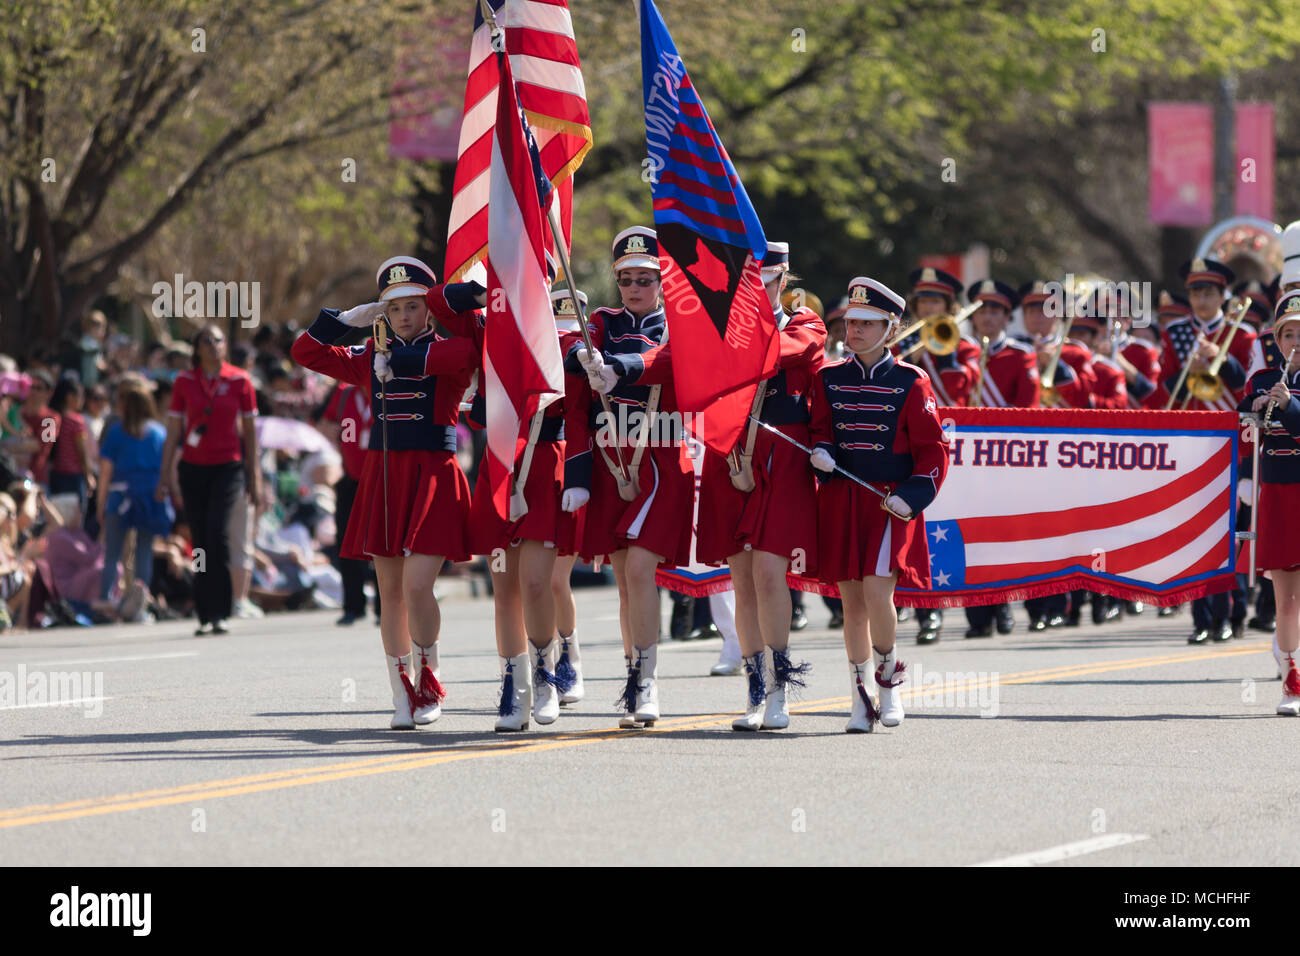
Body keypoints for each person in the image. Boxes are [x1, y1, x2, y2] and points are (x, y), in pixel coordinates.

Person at [291, 256, 478, 730]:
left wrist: (391, 359)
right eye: (394, 310)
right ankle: (400, 689)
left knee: (418, 586)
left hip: (433, 472)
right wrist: (339, 322)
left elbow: (465, 356)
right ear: (384, 316)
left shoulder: (445, 349)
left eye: (414, 306)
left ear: (429, 310)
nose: (405, 317)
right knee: (390, 592)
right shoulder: (371, 357)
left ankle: (429, 676)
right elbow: (305, 354)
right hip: (385, 476)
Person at [421, 269, 582, 732]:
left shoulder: (559, 337)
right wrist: (479, 291)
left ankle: (546, 676)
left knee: (537, 583)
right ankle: (516, 683)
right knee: (504, 590)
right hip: (498, 465)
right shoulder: (486, 325)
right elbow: (437, 302)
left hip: (542, 463)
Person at [564, 227, 693, 728]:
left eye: (645, 279)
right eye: (627, 279)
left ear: (662, 282)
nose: (636, 288)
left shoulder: (679, 324)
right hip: (609, 459)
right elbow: (578, 382)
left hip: (660, 456)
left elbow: (676, 363)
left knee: (640, 569)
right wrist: (584, 357)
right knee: (624, 579)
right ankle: (633, 671)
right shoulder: (601, 320)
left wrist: (622, 366)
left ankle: (647, 680)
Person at [810, 277, 948, 733]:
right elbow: (819, 428)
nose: (855, 331)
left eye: (867, 324)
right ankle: (859, 699)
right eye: (851, 323)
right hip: (842, 499)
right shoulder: (828, 378)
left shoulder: (912, 381)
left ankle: (889, 686)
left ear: (891, 329)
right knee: (851, 604)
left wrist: (912, 498)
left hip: (888, 502)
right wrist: (823, 451)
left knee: (877, 593)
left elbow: (933, 451)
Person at [695, 241, 821, 731]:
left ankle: (780, 689)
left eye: (765, 280)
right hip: (730, 450)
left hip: (779, 455)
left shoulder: (804, 321)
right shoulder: (720, 324)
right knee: (741, 580)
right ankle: (756, 687)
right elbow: (680, 360)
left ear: (782, 281)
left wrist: (729, 338)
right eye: (748, 280)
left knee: (769, 574)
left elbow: (792, 352)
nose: (756, 288)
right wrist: (625, 368)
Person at [1162, 258, 1254, 643]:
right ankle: (1201, 620)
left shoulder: (1243, 333)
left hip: (1233, 444)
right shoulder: (1177, 333)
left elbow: (1248, 388)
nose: (1202, 300)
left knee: (1230, 533)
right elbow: (1167, 387)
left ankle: (1231, 613)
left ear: (1222, 295)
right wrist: (1188, 367)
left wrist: (1223, 361)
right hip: (1192, 445)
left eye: (1209, 293)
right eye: (1196, 293)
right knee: (1195, 534)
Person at [157, 325, 260, 636]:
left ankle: (222, 608)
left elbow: (251, 434)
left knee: (218, 531)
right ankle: (204, 612)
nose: (214, 345)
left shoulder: (240, 380)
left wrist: (253, 477)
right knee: (200, 540)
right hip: (193, 468)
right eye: (207, 340)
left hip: (228, 468)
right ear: (197, 348)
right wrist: (165, 475)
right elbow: (174, 430)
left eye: (218, 340)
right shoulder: (184, 382)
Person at [962, 278, 1035, 637]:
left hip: (1004, 460)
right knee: (969, 537)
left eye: (995, 311)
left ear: (1007, 317)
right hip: (965, 462)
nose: (988, 317)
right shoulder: (959, 353)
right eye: (982, 310)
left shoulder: (1020, 357)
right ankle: (976, 616)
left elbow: (1028, 412)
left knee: (1000, 538)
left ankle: (1003, 605)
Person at [1240, 290, 1300, 714]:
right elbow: (1243, 435)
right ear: (1276, 340)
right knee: (1285, 598)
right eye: (1288, 334)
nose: (1294, 342)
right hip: (1277, 492)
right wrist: (1255, 410)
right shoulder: (1261, 381)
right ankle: (1291, 682)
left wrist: (1290, 404)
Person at [97, 378, 169, 610]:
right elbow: (166, 468)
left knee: (113, 553)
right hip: (150, 497)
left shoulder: (117, 433)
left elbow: (105, 473)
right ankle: (140, 601)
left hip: (120, 497)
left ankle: (106, 600)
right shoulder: (159, 433)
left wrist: (101, 505)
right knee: (144, 551)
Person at [48, 373, 97, 511]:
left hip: (55, 474)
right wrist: (88, 475)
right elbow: (82, 452)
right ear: (70, 397)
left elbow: (46, 446)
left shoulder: (51, 418)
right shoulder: (76, 421)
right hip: (73, 477)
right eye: (80, 396)